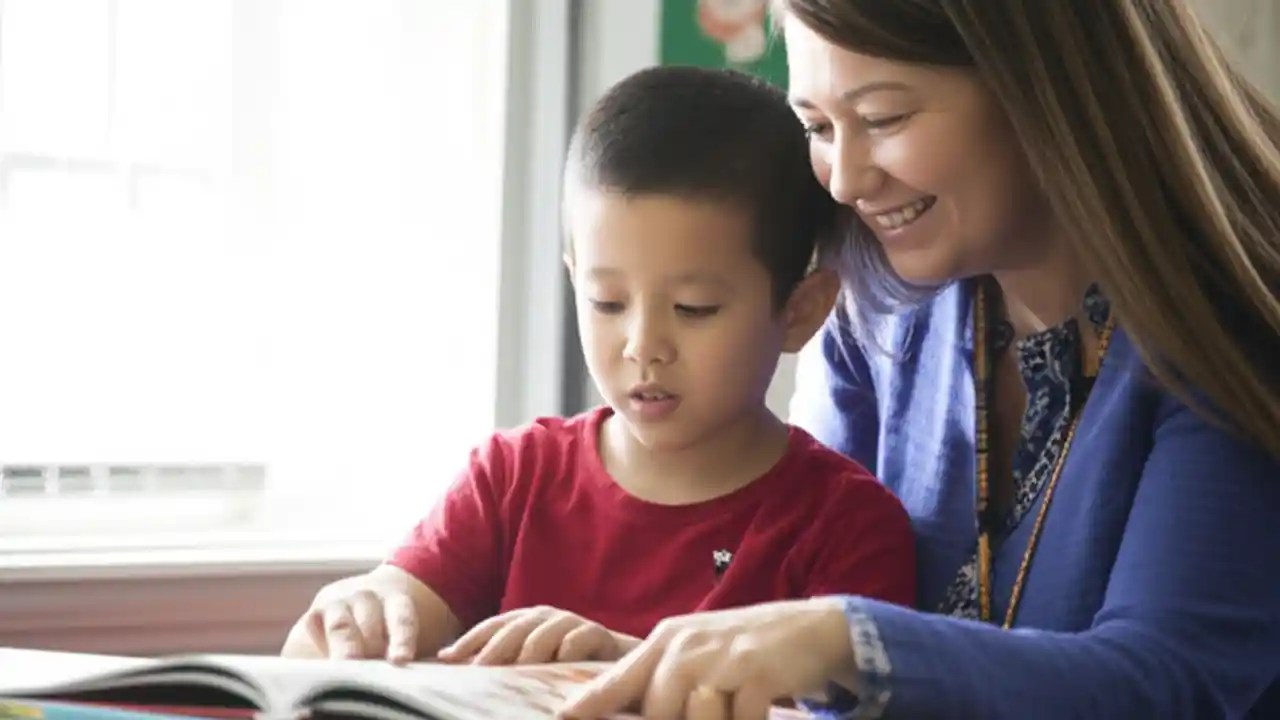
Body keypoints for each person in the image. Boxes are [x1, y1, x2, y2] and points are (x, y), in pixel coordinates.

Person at [559, 1, 1280, 718]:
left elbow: (1167, 684)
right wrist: (657, 666)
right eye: (816, 126)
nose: (843, 180)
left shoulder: (1235, 327)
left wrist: (844, 640)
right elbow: (785, 617)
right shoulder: (876, 311)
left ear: (1040, 87)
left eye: (882, 120)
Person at [279, 65, 915, 667]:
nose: (643, 344)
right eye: (606, 302)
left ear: (800, 312)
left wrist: (629, 667)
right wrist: (359, 615)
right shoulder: (513, 480)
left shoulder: (846, 527)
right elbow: (361, 639)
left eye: (694, 309)